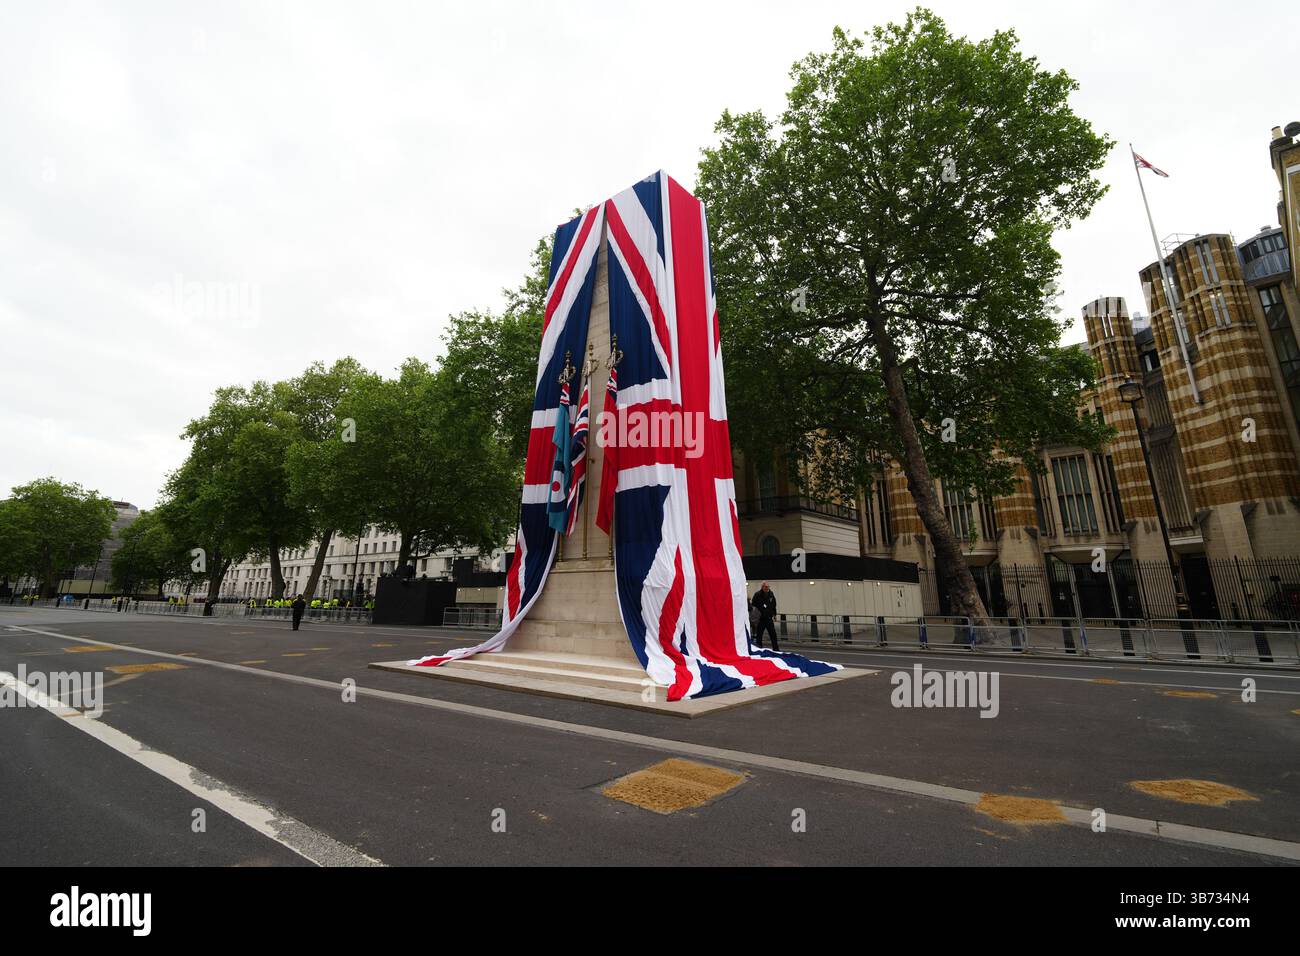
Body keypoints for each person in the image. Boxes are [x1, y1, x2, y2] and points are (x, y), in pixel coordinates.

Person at [750, 581, 780, 652]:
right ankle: (759, 649)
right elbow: (753, 605)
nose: (767, 588)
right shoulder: (757, 594)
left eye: (768, 587)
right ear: (762, 587)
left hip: (769, 618)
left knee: (773, 635)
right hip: (761, 619)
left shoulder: (771, 594)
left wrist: (774, 614)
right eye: (766, 587)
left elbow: (774, 605)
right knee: (759, 636)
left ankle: (776, 649)